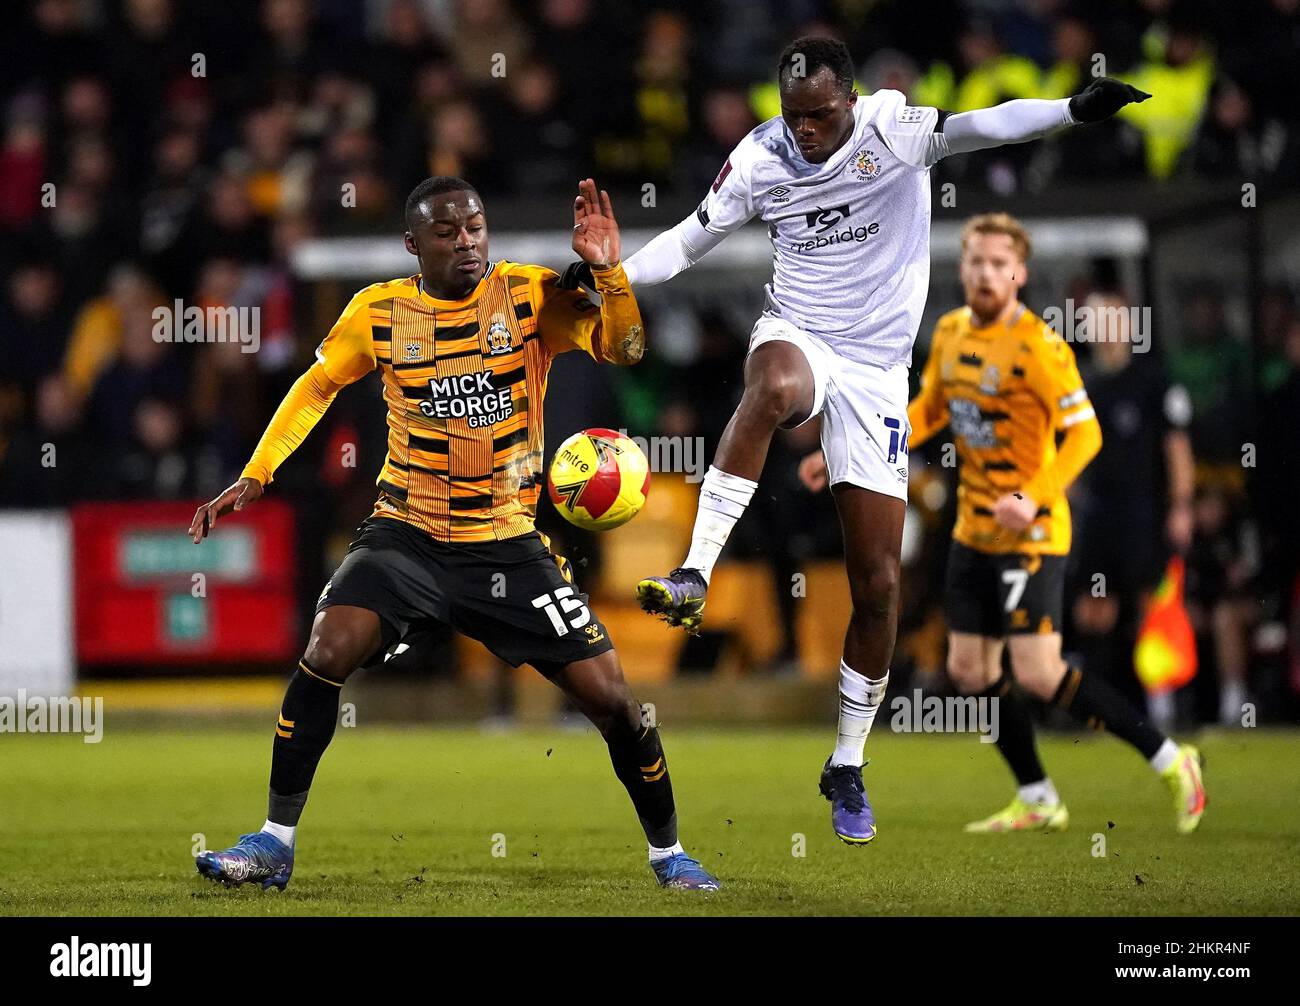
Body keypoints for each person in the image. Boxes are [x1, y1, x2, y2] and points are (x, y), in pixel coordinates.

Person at [604, 35, 1151, 844]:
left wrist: (1072, 111)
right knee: (773, 386)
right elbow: (686, 242)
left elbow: (989, 127)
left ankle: (848, 763)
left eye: (821, 116)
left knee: (880, 586)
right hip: (800, 332)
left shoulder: (895, 131)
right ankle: (693, 572)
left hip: (878, 373)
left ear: (851, 101)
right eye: (794, 117)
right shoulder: (760, 157)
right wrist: (604, 273)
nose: (806, 132)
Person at [188, 176, 720, 892]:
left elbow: (624, 348)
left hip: (505, 542)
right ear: (415, 245)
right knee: (325, 649)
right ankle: (274, 843)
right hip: (404, 534)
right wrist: (259, 471)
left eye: (475, 227)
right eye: (448, 233)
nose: (467, 242)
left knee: (614, 700)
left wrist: (610, 274)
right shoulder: (377, 313)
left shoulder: (531, 296)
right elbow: (317, 385)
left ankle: (670, 855)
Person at [803, 214, 1206, 835]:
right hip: (973, 533)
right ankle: (1039, 794)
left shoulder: (1040, 346)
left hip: (1033, 533)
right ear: (963, 269)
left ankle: (1172, 758)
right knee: (969, 671)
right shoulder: (952, 331)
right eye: (976, 262)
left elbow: (1086, 433)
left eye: (998, 264)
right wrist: (849, 446)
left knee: (1040, 672)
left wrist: (1033, 495)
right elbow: (931, 409)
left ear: (1017, 273)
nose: (986, 273)